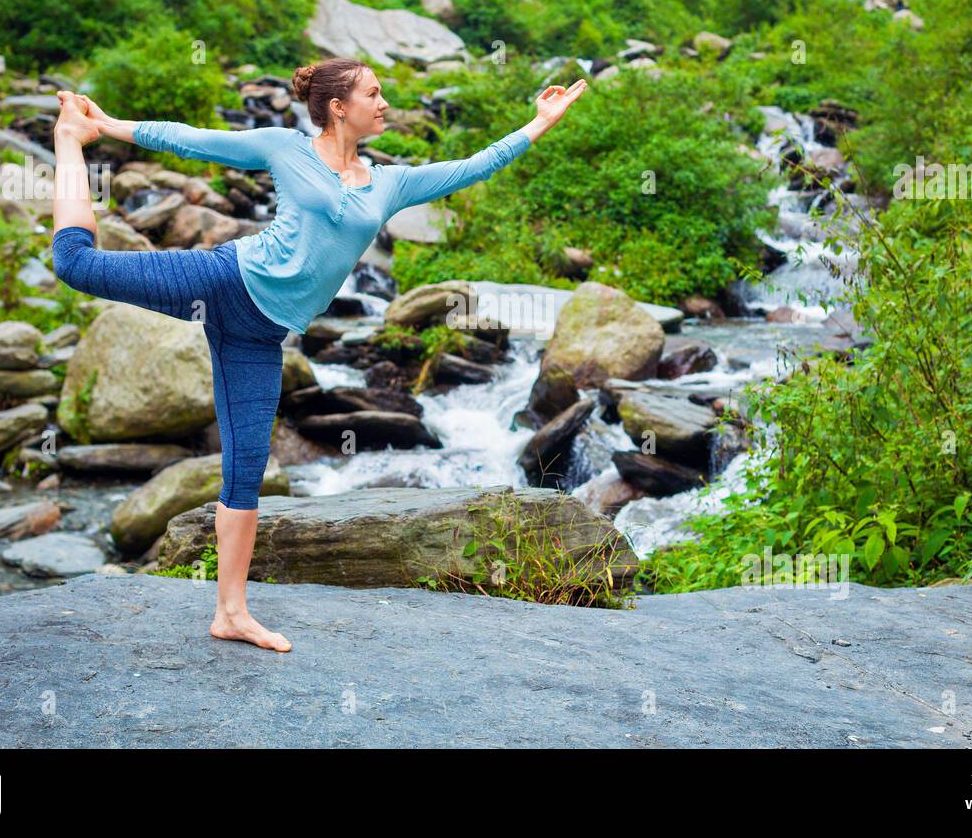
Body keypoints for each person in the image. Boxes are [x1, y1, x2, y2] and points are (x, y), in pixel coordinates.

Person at [50, 58, 587, 653]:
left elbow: (471, 168)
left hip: (260, 335)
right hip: (223, 281)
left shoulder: (388, 184)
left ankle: (230, 612)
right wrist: (107, 124)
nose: (384, 104)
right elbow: (192, 140)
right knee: (76, 265)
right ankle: (67, 140)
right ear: (338, 106)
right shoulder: (285, 148)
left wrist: (538, 123)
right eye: (374, 94)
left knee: (247, 467)